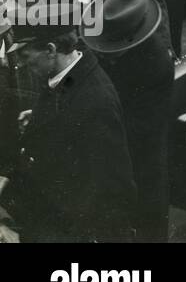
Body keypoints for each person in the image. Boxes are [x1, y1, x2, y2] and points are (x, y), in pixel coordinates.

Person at [3, 18, 137, 242]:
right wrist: (39, 118)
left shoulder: (95, 103)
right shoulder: (70, 75)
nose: (22, 64)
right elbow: (62, 109)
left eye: (26, 56)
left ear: (50, 50)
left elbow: (109, 186)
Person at [82, 0, 173, 243]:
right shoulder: (112, 41)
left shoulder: (156, 64)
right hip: (116, 137)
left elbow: (143, 126)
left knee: (148, 208)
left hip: (140, 149)